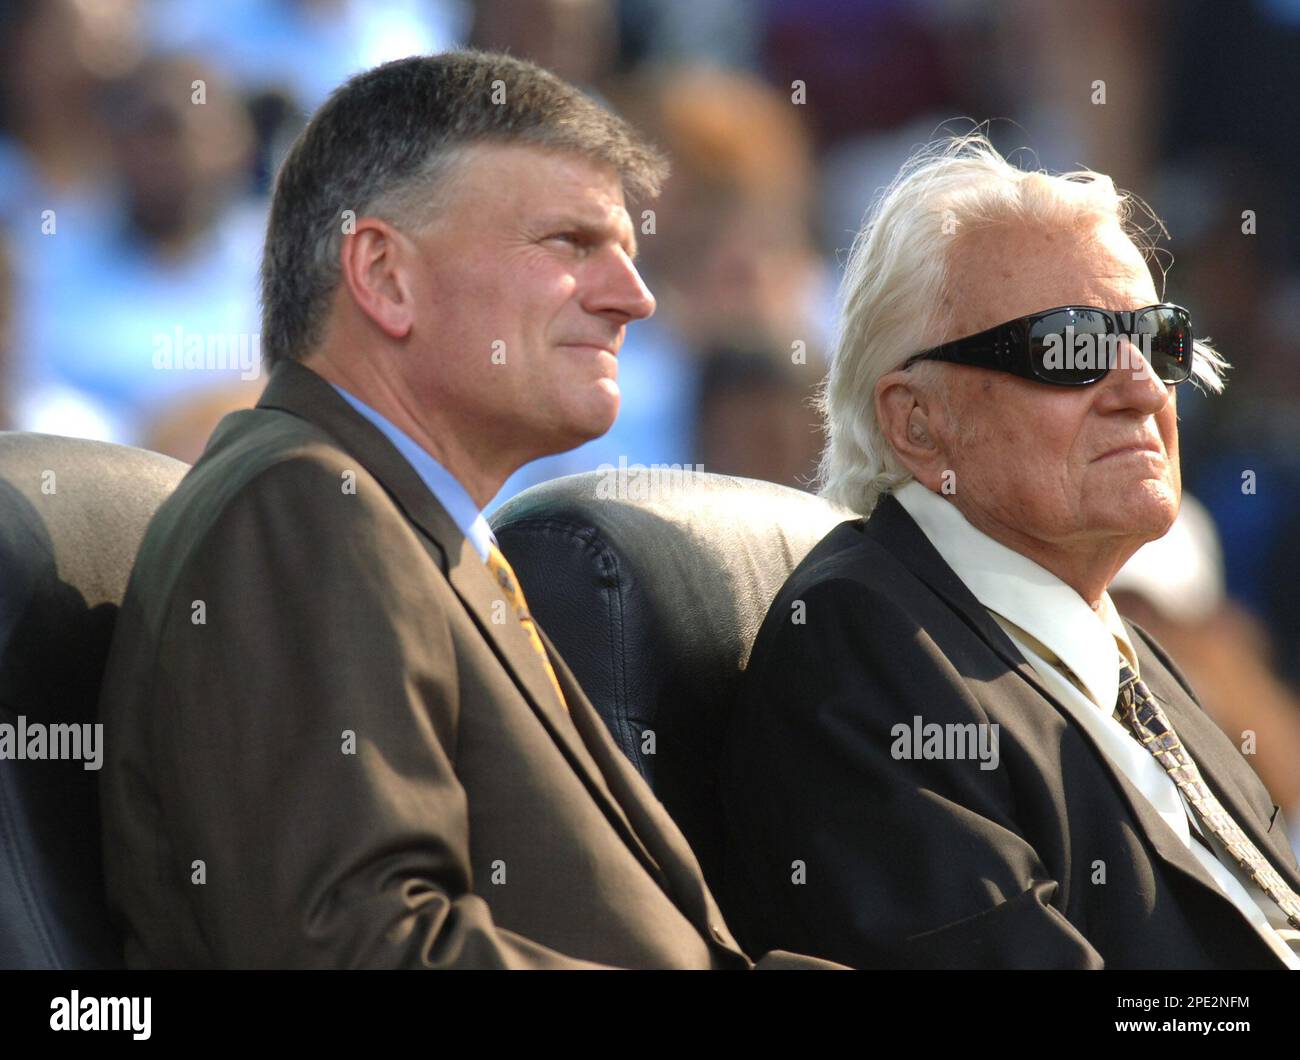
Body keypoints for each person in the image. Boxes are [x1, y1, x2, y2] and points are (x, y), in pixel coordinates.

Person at [98, 50, 837, 970]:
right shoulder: (304, 511)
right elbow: (362, 950)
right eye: (571, 244)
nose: (633, 298)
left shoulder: (398, 523)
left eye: (631, 254)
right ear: (383, 274)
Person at [720, 132, 1300, 970]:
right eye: (1072, 347)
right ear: (917, 421)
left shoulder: (1126, 656)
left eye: (1158, 339)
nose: (1142, 386)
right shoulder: (867, 649)